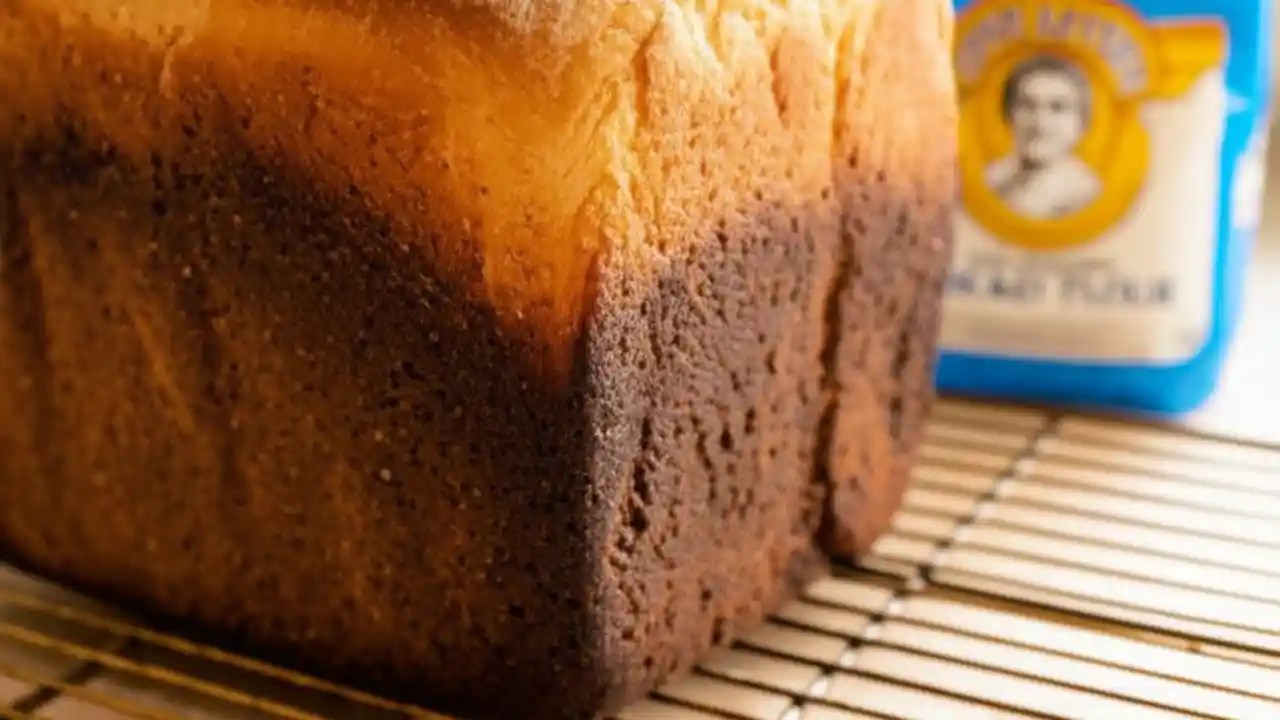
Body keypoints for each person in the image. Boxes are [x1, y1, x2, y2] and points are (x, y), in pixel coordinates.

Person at [985, 55, 1102, 219]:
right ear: (1008, 115)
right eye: (1027, 106)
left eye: (1057, 108)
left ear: (1081, 122)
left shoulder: (1088, 196)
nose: (1040, 123)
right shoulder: (991, 181)